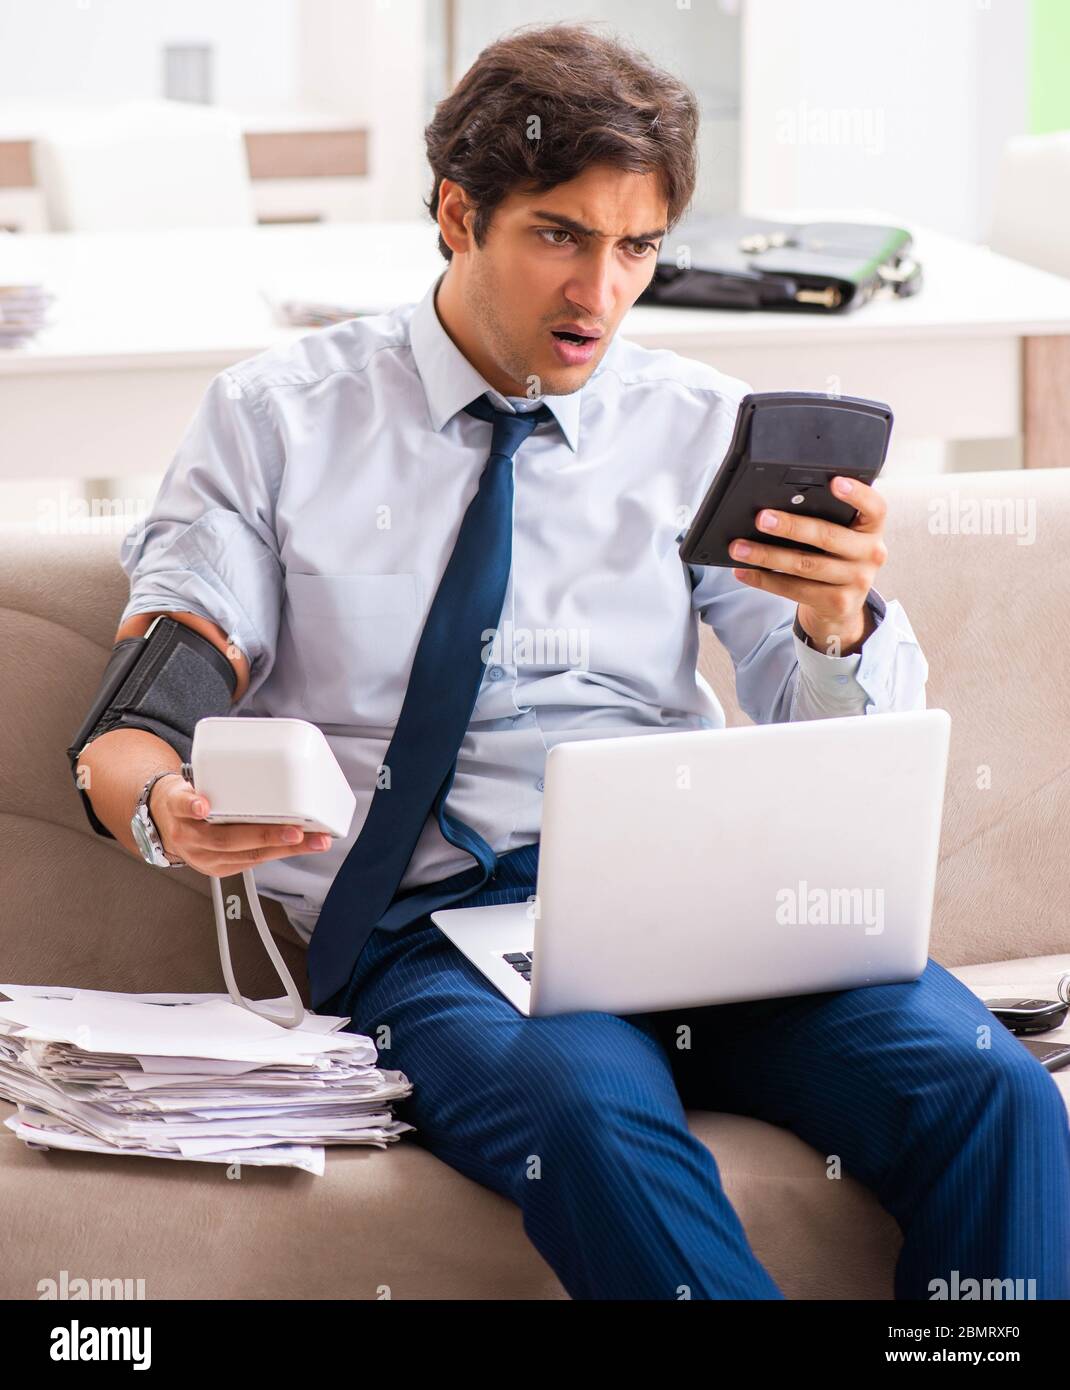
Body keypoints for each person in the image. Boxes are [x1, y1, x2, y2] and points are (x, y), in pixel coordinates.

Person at [73, 22, 1070, 1300]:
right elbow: (157, 687)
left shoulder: (699, 424)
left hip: (708, 908)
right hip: (431, 932)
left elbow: (826, 727)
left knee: (990, 1093)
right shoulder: (279, 420)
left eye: (635, 248)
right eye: (558, 234)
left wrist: (836, 627)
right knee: (593, 1126)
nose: (597, 292)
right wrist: (157, 802)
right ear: (456, 213)